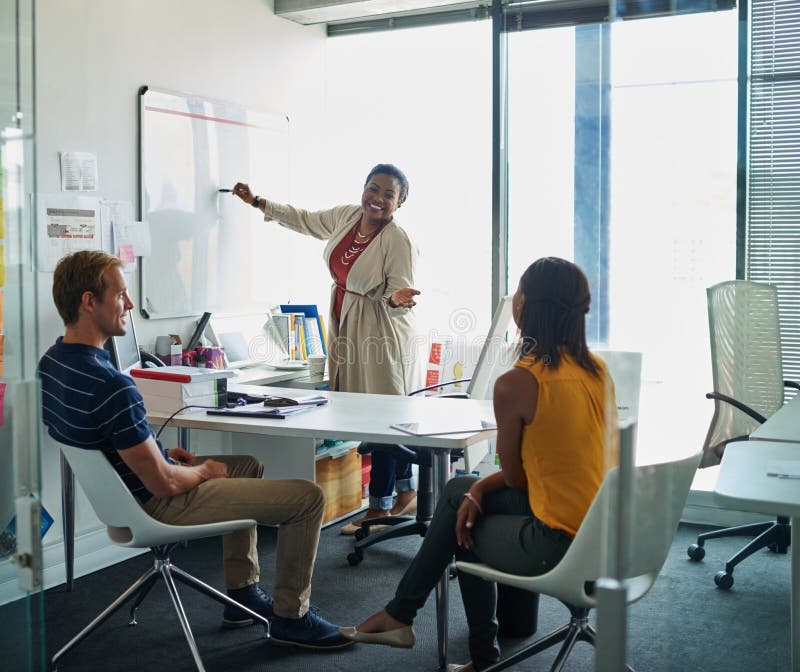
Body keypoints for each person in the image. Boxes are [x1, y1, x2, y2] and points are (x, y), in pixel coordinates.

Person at [39, 250, 352, 650]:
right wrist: (202, 472)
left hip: (121, 494)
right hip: (154, 503)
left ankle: (242, 595)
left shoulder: (52, 364)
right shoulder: (113, 385)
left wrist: (161, 451)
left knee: (247, 465)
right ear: (88, 302)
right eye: (120, 294)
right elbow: (167, 483)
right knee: (307, 498)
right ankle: (293, 617)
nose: (130, 305)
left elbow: (112, 443)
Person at [337, 257, 619, 671]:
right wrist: (478, 488)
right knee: (461, 491)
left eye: (520, 293)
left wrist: (479, 492)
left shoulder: (519, 383)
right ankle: (410, 621)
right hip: (608, 535)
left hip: (563, 546)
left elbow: (520, 479)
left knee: (464, 526)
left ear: (528, 307)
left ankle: (421, 626)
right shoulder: (598, 371)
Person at [233, 164, 422, 534]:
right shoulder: (346, 217)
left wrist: (398, 298)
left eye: (388, 194)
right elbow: (305, 220)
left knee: (381, 417)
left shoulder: (397, 239)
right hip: (346, 320)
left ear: (399, 203)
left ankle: (380, 508)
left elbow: (398, 291)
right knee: (367, 412)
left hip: (380, 330)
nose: (377, 198)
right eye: (373, 188)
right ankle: (406, 492)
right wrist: (258, 202)